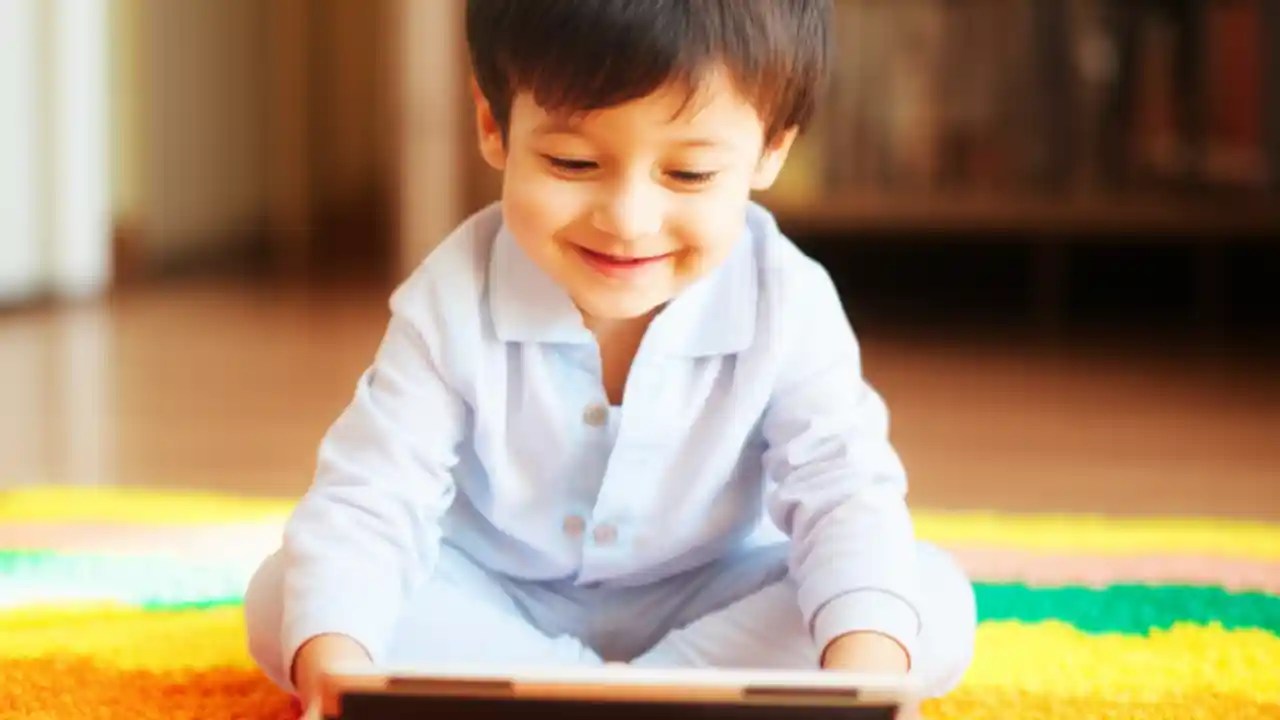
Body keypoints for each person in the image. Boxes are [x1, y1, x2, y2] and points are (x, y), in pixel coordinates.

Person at [245, 0, 976, 712]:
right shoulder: (449, 299)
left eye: (687, 175)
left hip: (715, 600)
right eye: (572, 161)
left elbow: (844, 495)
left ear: (772, 148)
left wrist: (861, 686)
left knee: (918, 600)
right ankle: (647, 700)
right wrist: (335, 668)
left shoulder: (788, 301)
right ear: (493, 124)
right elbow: (370, 501)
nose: (627, 220)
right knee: (291, 598)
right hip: (493, 597)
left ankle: (588, 697)